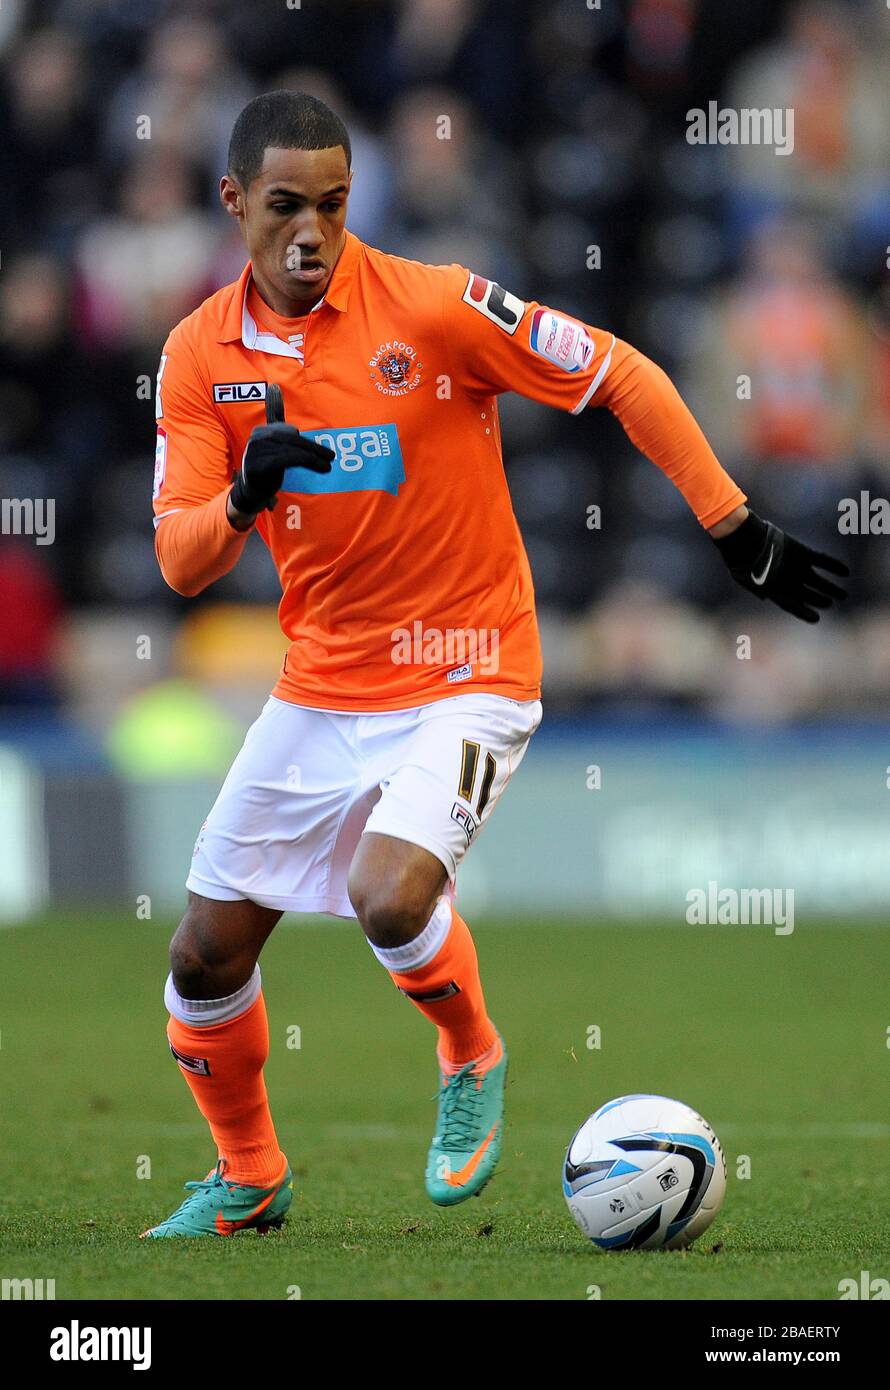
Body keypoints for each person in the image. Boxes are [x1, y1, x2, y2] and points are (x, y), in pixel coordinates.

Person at [142, 91, 847, 1237]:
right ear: (233, 203)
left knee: (389, 892)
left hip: (470, 664)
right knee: (202, 956)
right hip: (322, 682)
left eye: (331, 202)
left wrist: (731, 525)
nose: (310, 231)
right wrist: (243, 492)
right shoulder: (195, 357)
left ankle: (469, 1051)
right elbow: (178, 559)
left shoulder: (432, 306)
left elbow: (616, 369)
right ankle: (251, 1174)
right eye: (283, 207)